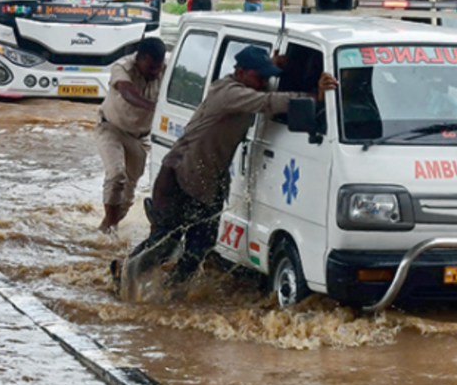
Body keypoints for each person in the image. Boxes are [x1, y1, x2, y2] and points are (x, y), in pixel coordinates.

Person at [114, 47, 339, 296]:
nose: (265, 83)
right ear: (240, 72)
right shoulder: (229, 92)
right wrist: (315, 96)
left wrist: (272, 64)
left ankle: (170, 296)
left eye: (267, 77)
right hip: (178, 175)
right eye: (259, 77)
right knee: (164, 244)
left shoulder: (246, 86)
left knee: (200, 247)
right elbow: (268, 102)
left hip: (206, 181)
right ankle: (123, 274)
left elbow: (263, 90)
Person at [94, 38, 168, 233]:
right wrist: (156, 107)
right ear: (140, 59)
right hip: (111, 128)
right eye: (151, 68)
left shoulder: (167, 69)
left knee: (127, 195)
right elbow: (127, 93)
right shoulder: (122, 67)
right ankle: (108, 228)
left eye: (158, 68)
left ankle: (108, 226)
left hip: (140, 137)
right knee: (116, 175)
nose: (155, 73)